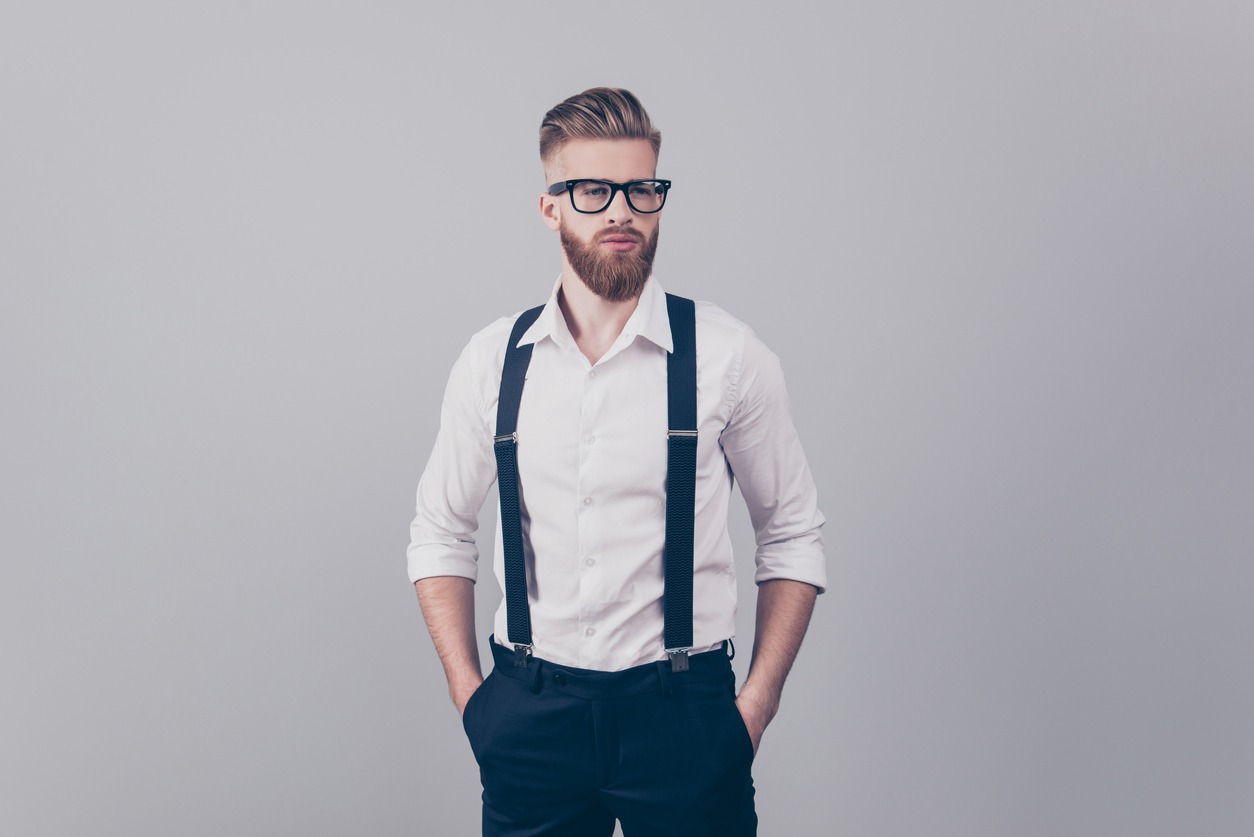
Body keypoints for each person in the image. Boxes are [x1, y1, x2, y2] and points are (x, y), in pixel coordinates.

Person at [407, 87, 826, 836]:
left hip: (684, 717)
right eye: (594, 190)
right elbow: (439, 530)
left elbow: (793, 533)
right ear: (551, 207)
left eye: (641, 189)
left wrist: (753, 711)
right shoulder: (492, 362)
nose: (620, 211)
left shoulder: (729, 357)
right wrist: (472, 698)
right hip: (529, 715)